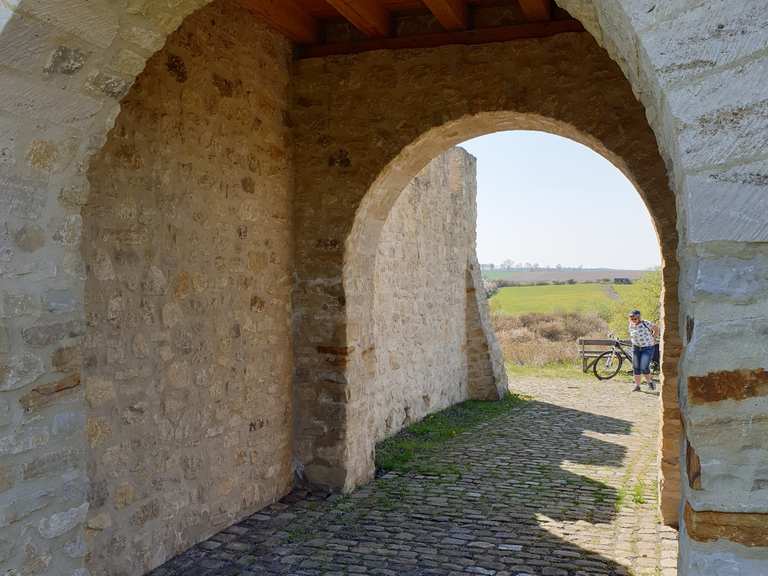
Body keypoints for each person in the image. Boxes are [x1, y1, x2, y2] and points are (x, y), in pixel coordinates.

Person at [627, 309, 658, 392]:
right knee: (636, 367)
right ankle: (637, 386)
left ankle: (650, 382)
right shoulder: (631, 324)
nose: (633, 320)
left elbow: (656, 328)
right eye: (631, 318)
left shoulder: (645, 323)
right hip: (636, 348)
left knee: (644, 367)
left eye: (635, 318)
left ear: (639, 317)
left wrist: (654, 338)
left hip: (647, 347)